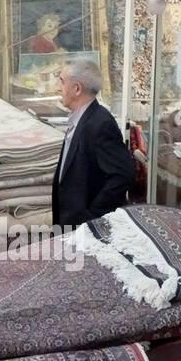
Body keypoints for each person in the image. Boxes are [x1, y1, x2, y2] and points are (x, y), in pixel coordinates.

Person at [51, 56, 133, 231]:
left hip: (86, 229)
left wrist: (92, 217)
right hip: (69, 226)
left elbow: (121, 176)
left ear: (77, 88)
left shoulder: (100, 123)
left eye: (62, 81)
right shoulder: (80, 118)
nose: (58, 87)